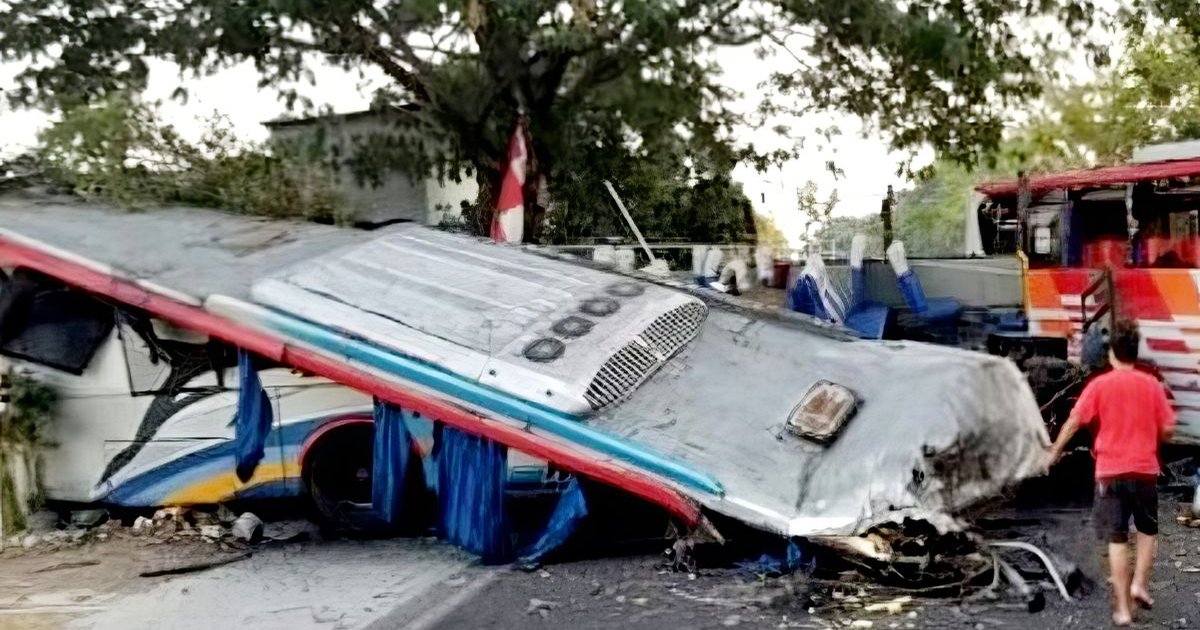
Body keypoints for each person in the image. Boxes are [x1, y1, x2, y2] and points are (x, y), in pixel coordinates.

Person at [1047, 320, 1175, 626]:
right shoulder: (1152, 385)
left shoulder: (1099, 385)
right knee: (1146, 531)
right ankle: (1140, 584)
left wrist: (1053, 452)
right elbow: (1168, 431)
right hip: (1144, 471)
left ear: (1113, 353)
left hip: (1109, 473)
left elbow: (1074, 421)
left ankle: (1122, 609)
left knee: (1117, 539)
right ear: (1135, 351)